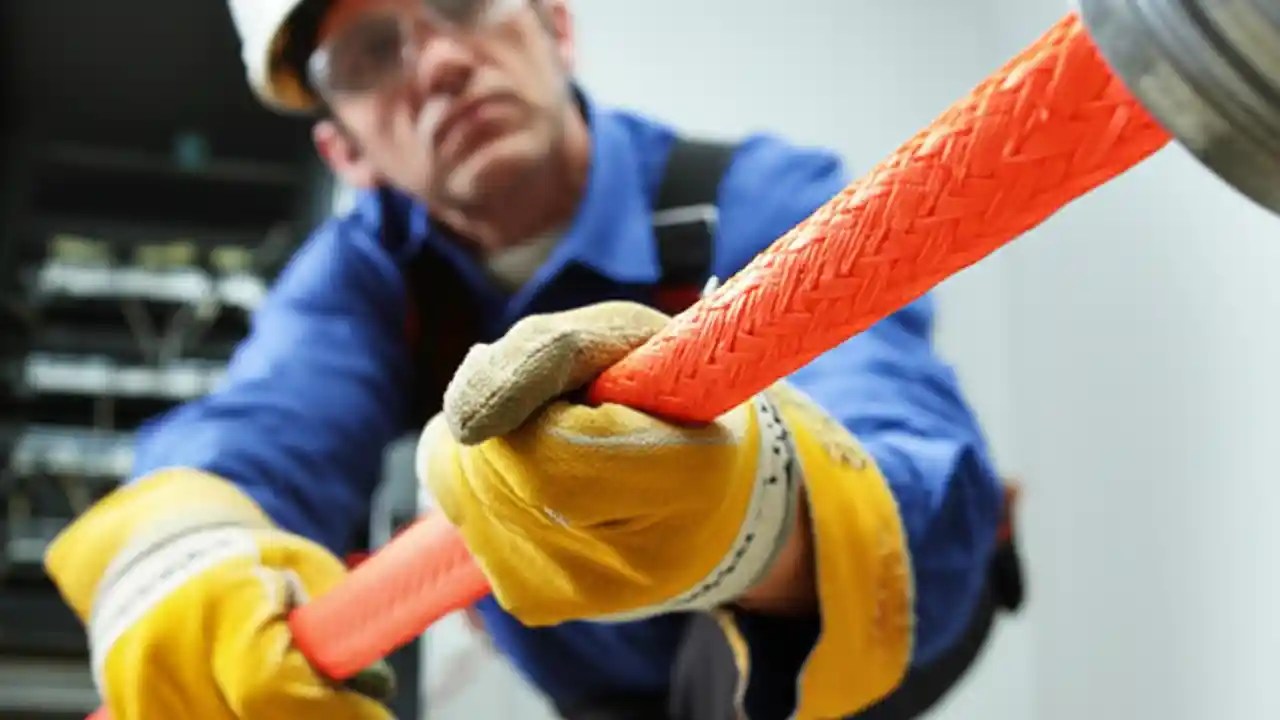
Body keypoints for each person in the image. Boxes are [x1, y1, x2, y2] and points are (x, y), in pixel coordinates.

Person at [42, 1, 1014, 718]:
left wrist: (756, 512)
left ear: (555, 25)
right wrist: (181, 562)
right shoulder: (364, 281)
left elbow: (902, 439)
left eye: (463, 2)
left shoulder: (756, 195)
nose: (439, 64)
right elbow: (263, 425)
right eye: (371, 53)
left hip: (803, 652)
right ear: (348, 155)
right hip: (598, 685)